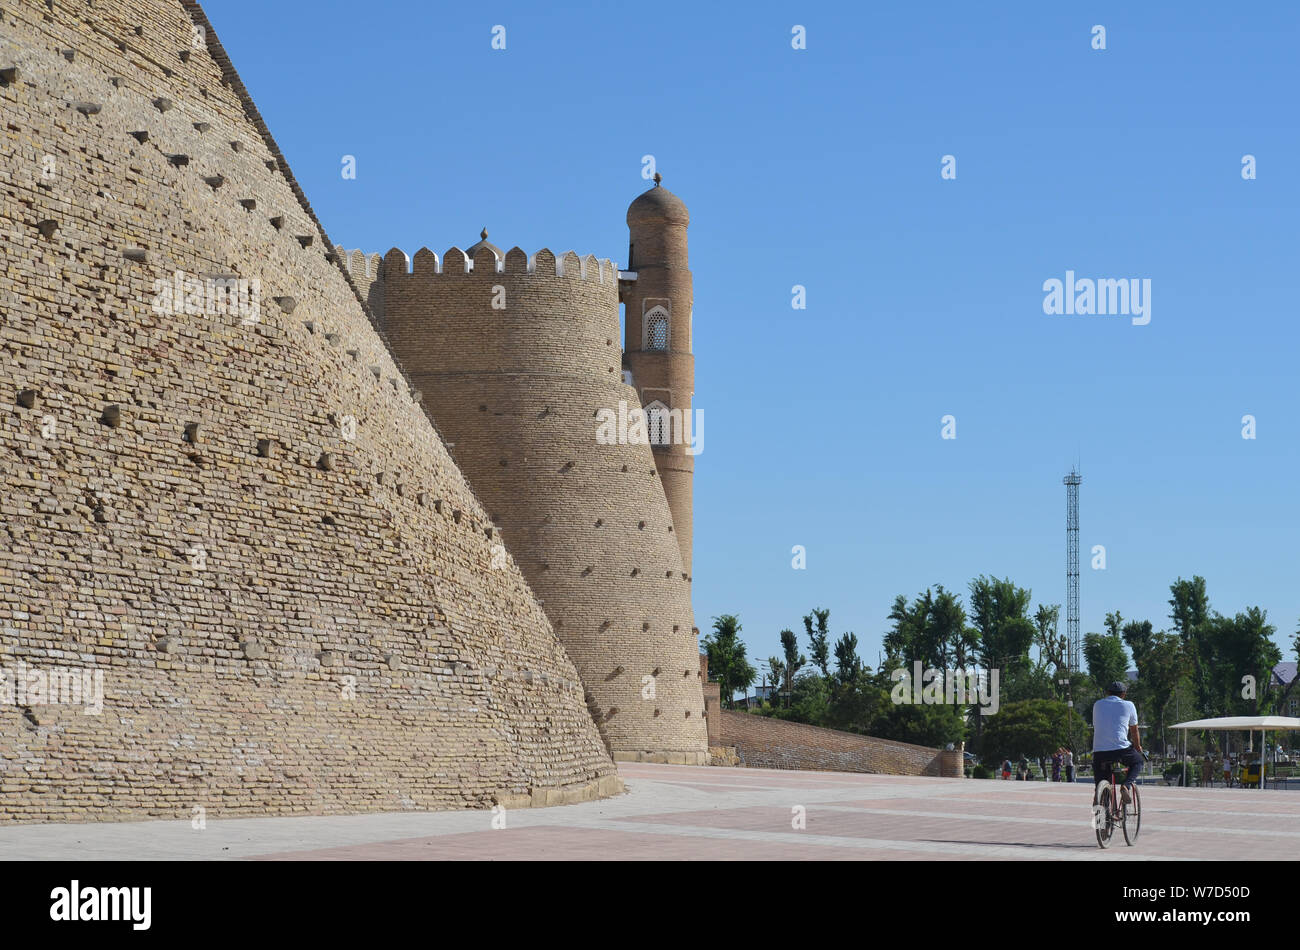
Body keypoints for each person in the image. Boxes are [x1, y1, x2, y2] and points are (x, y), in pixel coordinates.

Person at [1092, 680, 1143, 804]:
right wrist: (1137, 747)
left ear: (1108, 693)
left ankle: (1099, 796)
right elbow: (1134, 730)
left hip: (1099, 751)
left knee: (1102, 778)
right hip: (1121, 750)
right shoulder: (1129, 705)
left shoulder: (1097, 704)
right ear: (1124, 694)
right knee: (1138, 762)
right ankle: (1126, 786)